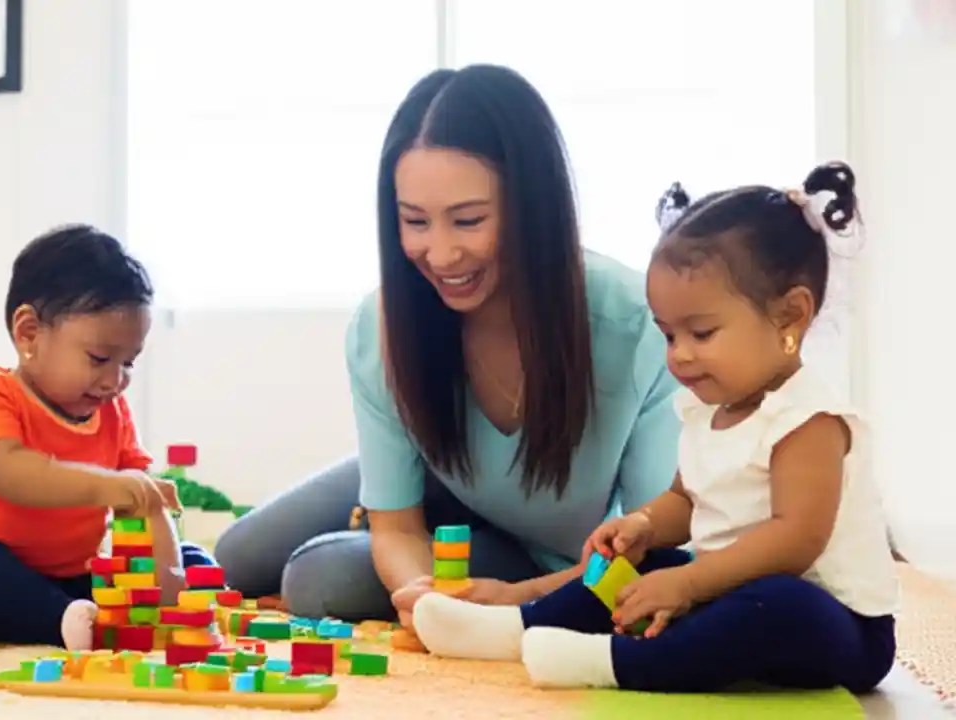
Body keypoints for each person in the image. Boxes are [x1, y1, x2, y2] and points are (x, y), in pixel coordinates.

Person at [410, 162, 900, 695]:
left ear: (790, 317)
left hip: (836, 625)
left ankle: (616, 662)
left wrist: (690, 582)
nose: (680, 356)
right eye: (668, 335)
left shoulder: (806, 421)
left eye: (702, 333)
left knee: (776, 602)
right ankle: (518, 625)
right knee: (645, 566)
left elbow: (795, 540)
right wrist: (642, 525)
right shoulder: (705, 411)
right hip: (729, 592)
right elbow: (686, 500)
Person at [215, 64, 681, 622]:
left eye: (467, 221)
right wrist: (420, 593)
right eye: (415, 221)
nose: (439, 255)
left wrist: (519, 598)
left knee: (320, 582)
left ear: (532, 209)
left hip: (542, 556)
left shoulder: (639, 325)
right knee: (236, 555)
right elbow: (397, 528)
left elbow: (660, 551)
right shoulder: (385, 322)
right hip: (438, 476)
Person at [0, 225, 216, 650]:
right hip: (5, 572)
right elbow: (6, 472)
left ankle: (96, 617)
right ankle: (60, 623)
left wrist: (168, 580)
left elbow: (140, 506)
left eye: (129, 362)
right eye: (99, 358)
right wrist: (110, 486)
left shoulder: (113, 411)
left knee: (197, 559)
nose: (115, 380)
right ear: (28, 333)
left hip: (84, 575)